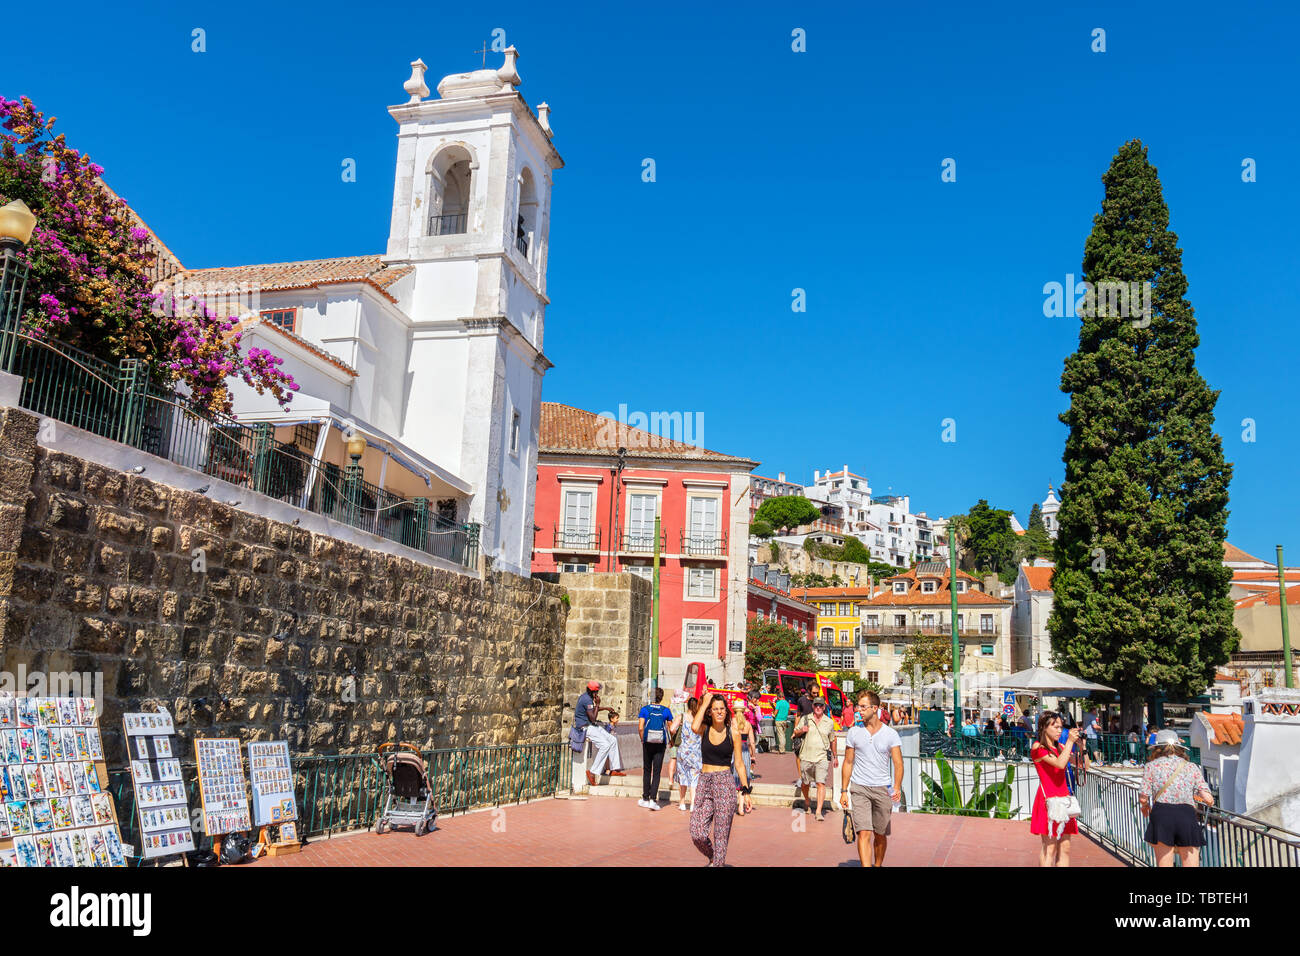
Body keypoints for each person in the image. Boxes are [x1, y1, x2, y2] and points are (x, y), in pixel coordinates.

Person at [840, 690, 904, 867]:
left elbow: (898, 764)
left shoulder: (890, 734)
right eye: (858, 707)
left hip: (882, 788)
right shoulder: (853, 732)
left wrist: (896, 787)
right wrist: (844, 791)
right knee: (864, 833)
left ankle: (878, 864)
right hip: (859, 787)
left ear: (874, 708)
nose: (858, 710)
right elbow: (848, 762)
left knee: (880, 834)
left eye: (862, 707)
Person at [690, 692, 752, 866]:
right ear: (710, 711)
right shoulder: (705, 729)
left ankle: (718, 862)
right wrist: (705, 703)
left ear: (727, 711)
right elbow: (694, 726)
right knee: (697, 831)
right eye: (715, 709)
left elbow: (739, 764)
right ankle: (713, 857)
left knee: (721, 834)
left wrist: (746, 791)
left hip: (724, 783)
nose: (719, 712)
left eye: (722, 709)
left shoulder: (733, 733)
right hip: (704, 782)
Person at [1139, 729, 1214, 867]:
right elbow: (1208, 798)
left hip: (1161, 815)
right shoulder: (1191, 767)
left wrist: (1145, 807)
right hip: (1186, 816)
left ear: (1157, 748)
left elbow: (1144, 798)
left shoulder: (1151, 766)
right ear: (1179, 748)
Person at [1030, 711, 1078, 867]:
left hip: (1064, 799)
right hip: (1048, 800)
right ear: (1044, 727)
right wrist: (1070, 742)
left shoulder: (1061, 746)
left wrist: (1082, 748)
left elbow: (1083, 764)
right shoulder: (1038, 747)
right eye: (1056, 727)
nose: (1060, 731)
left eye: (1061, 727)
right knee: (1049, 848)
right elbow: (1059, 764)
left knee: (1065, 847)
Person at [794, 695, 838, 821]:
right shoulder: (806, 718)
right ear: (813, 707)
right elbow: (795, 733)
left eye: (821, 705)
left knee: (820, 783)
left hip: (822, 757)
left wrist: (835, 756)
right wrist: (802, 730)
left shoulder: (829, 722)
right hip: (806, 755)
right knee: (805, 783)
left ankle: (818, 811)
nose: (818, 707)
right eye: (816, 705)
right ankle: (807, 801)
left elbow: (832, 740)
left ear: (824, 707)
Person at [575, 680, 625, 786]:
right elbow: (593, 718)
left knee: (612, 739)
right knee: (605, 745)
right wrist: (598, 704)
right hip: (586, 727)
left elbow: (591, 710)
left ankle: (613, 768)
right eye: (597, 692)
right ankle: (593, 772)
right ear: (592, 692)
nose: (597, 694)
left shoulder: (587, 698)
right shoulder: (586, 700)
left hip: (591, 725)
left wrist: (605, 708)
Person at [637, 688, 673, 809]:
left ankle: (645, 798)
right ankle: (653, 799)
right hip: (660, 743)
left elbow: (641, 727)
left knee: (647, 770)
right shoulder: (666, 711)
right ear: (661, 697)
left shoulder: (645, 710)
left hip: (647, 742)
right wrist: (672, 740)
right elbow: (671, 728)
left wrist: (643, 739)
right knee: (657, 771)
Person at [675, 697, 702, 811]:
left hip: (683, 752)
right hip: (696, 752)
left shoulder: (681, 717)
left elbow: (672, 728)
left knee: (683, 776)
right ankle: (692, 804)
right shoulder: (699, 719)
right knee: (694, 778)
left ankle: (682, 802)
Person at [732, 699, 755, 813]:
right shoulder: (748, 724)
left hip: (734, 752)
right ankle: (741, 807)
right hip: (745, 751)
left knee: (734, 777)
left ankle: (736, 806)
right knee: (743, 778)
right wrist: (753, 755)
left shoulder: (732, 722)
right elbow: (752, 742)